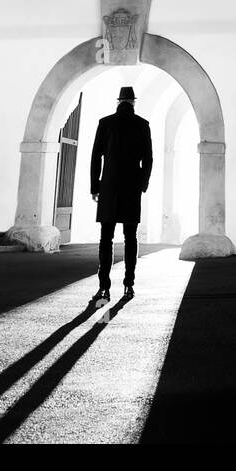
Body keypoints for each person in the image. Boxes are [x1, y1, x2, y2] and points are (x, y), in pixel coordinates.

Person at [88, 86, 153, 306]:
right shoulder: (142, 125)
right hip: (131, 187)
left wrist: (95, 186)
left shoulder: (105, 123)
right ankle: (129, 283)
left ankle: (104, 286)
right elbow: (148, 159)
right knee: (130, 237)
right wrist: (142, 184)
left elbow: (96, 156)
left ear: (118, 102)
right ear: (133, 102)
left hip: (109, 186)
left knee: (106, 238)